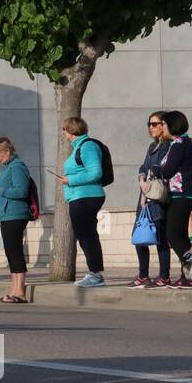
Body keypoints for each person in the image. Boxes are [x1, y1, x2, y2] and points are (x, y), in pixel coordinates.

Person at [55, 117, 107, 288]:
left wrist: (70, 180)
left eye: (64, 129)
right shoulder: (79, 147)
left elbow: (96, 173)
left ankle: (95, 274)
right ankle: (95, 272)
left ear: (71, 130)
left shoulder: (87, 146)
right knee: (86, 234)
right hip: (80, 196)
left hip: (85, 196)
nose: (63, 133)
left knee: (86, 235)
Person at [0, 137, 32, 303]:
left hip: (15, 214)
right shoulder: (10, 167)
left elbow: (21, 191)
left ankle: (20, 292)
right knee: (11, 254)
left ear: (7, 152)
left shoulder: (17, 167)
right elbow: (7, 188)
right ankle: (14, 290)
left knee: (15, 253)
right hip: (7, 215)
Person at [157, 111, 192, 290]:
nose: (162, 128)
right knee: (180, 235)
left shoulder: (180, 143)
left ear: (172, 125)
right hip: (181, 194)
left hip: (181, 195)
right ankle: (187, 275)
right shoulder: (184, 142)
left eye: (164, 124)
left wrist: (156, 169)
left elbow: (167, 170)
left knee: (172, 235)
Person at [131, 111, 172, 289]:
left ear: (164, 125)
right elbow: (144, 166)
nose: (151, 127)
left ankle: (164, 276)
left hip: (157, 197)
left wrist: (150, 178)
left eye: (155, 124)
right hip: (145, 197)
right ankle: (143, 275)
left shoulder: (168, 145)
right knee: (139, 235)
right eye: (149, 124)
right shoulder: (152, 146)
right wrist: (141, 179)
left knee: (161, 238)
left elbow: (161, 169)